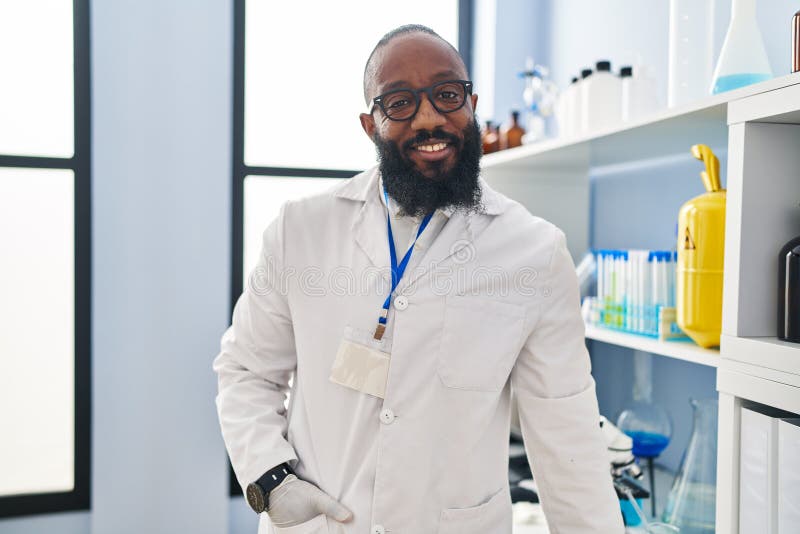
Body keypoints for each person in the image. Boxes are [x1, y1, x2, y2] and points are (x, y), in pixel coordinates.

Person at [214, 24, 624, 534]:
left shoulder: (534, 252)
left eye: (447, 95)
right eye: (401, 103)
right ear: (370, 125)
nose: (429, 118)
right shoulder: (300, 230)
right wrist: (271, 478)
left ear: (472, 104)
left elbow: (569, 437)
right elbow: (246, 371)